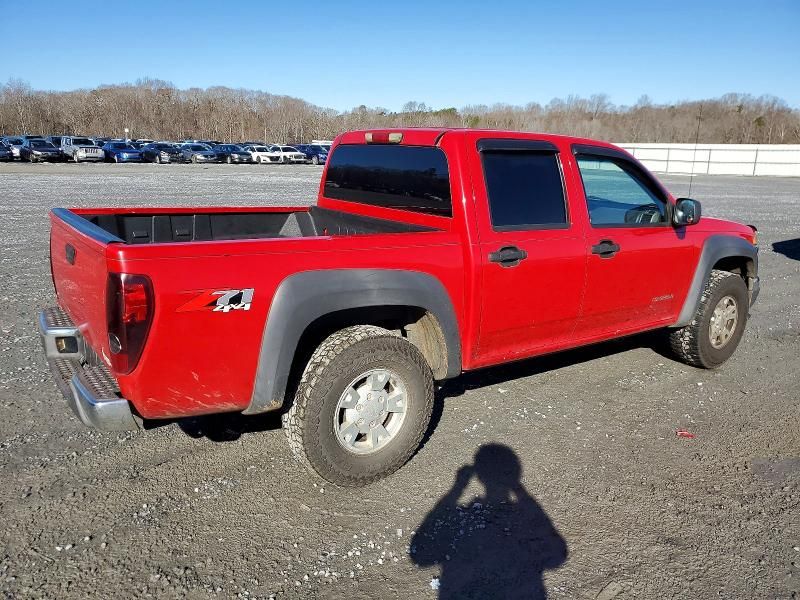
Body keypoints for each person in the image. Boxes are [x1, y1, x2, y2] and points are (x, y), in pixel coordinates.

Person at [411, 444, 568, 599]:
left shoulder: (464, 520)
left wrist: (457, 488)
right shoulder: (517, 518)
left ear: (480, 477)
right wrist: (518, 489)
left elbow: (420, 555)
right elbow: (556, 555)